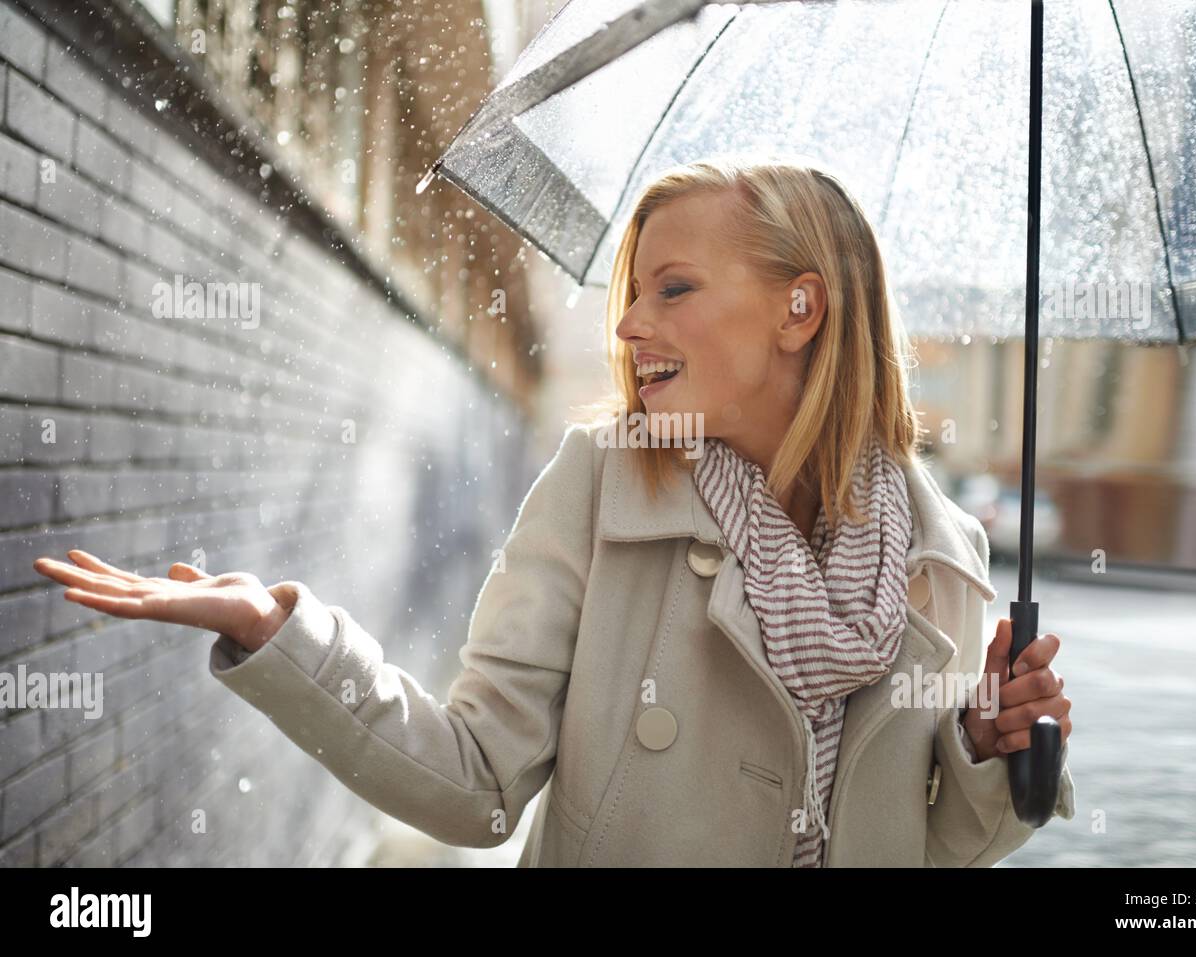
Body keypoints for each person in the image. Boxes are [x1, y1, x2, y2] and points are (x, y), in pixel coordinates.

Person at [32, 154, 1074, 867]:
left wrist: (986, 753)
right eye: (632, 290)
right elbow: (475, 784)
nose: (627, 324)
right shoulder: (603, 486)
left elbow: (933, 845)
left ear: (799, 308)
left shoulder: (945, 553)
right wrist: (284, 638)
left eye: (672, 288)